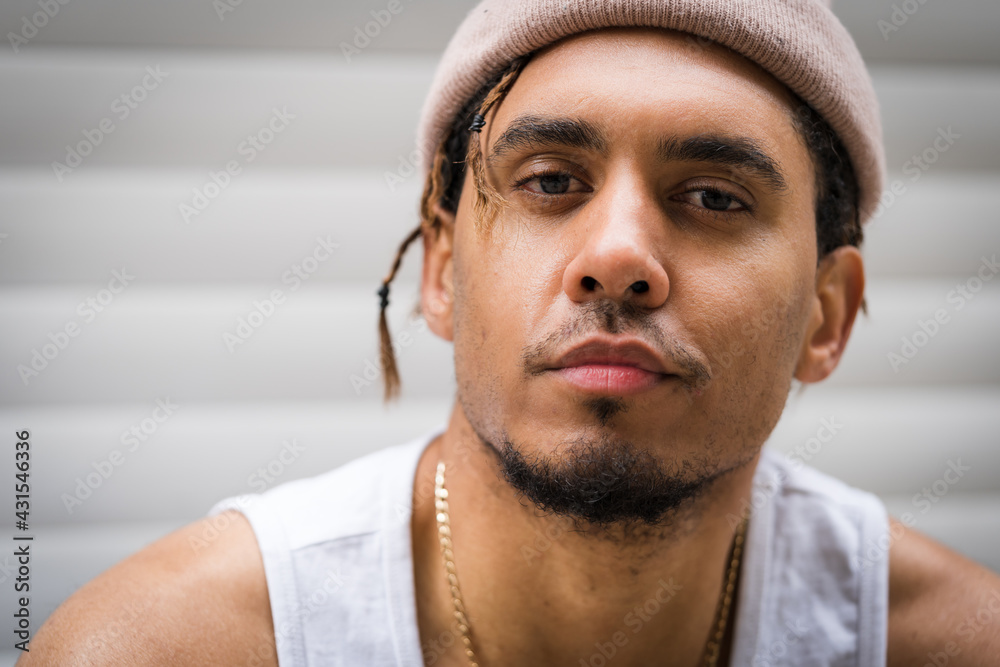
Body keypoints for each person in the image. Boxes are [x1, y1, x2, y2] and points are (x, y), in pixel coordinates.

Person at [23, 1, 1000, 665]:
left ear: (825, 316)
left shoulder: (952, 643)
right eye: (549, 182)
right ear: (443, 272)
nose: (618, 258)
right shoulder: (170, 646)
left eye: (712, 195)